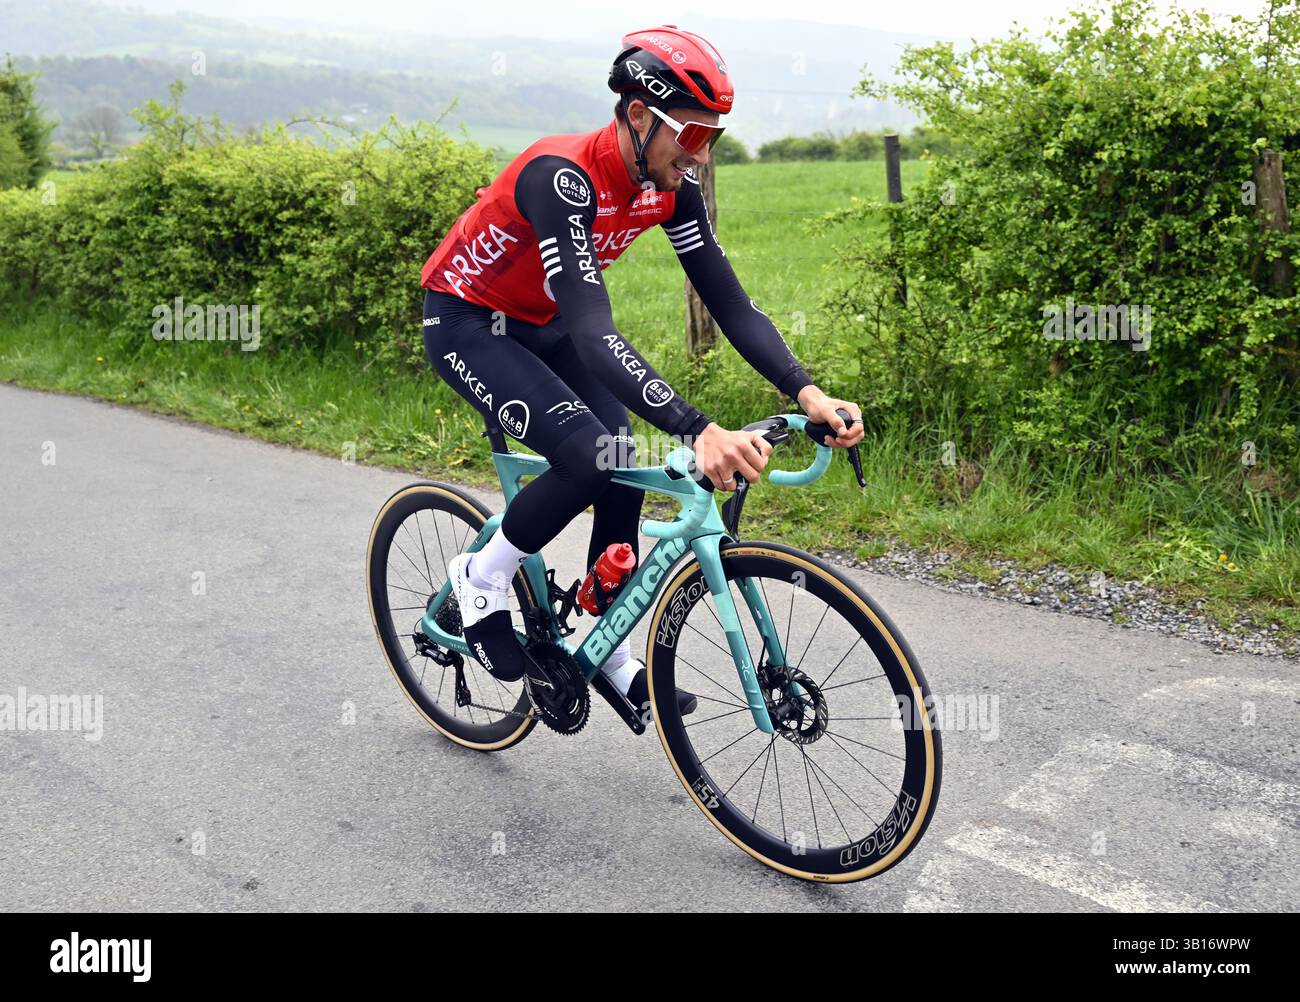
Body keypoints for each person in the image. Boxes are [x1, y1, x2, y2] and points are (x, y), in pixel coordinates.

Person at [420, 25, 864, 714]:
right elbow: (597, 332)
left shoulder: (672, 189)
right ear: (637, 115)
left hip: (545, 323)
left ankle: (610, 647)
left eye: (712, 139)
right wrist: (698, 429)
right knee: (582, 456)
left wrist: (806, 391)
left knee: (618, 455)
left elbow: (732, 305)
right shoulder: (561, 178)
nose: (702, 157)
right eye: (692, 136)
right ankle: (483, 575)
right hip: (468, 321)